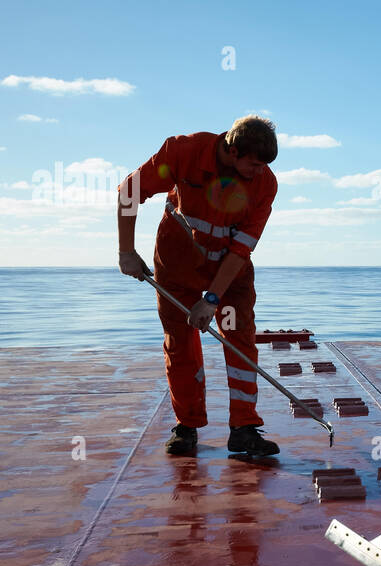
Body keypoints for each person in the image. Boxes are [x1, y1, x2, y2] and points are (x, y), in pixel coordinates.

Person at [116, 116, 281, 457]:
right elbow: (130, 191)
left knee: (239, 338)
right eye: (252, 164)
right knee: (181, 343)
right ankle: (187, 427)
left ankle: (244, 428)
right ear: (232, 150)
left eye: (263, 166)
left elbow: (241, 249)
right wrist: (127, 251)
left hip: (230, 275)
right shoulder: (183, 152)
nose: (257, 172)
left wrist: (212, 298)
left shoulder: (265, 184)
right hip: (178, 267)